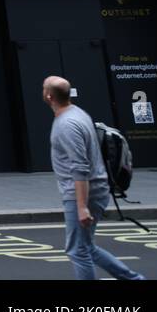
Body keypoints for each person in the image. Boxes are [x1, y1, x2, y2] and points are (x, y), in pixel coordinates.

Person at [42, 76, 144, 280]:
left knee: (77, 251)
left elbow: (80, 167)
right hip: (95, 188)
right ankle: (134, 279)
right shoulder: (78, 113)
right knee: (87, 247)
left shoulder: (66, 124)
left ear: (49, 96)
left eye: (43, 88)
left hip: (83, 194)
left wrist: (81, 206)